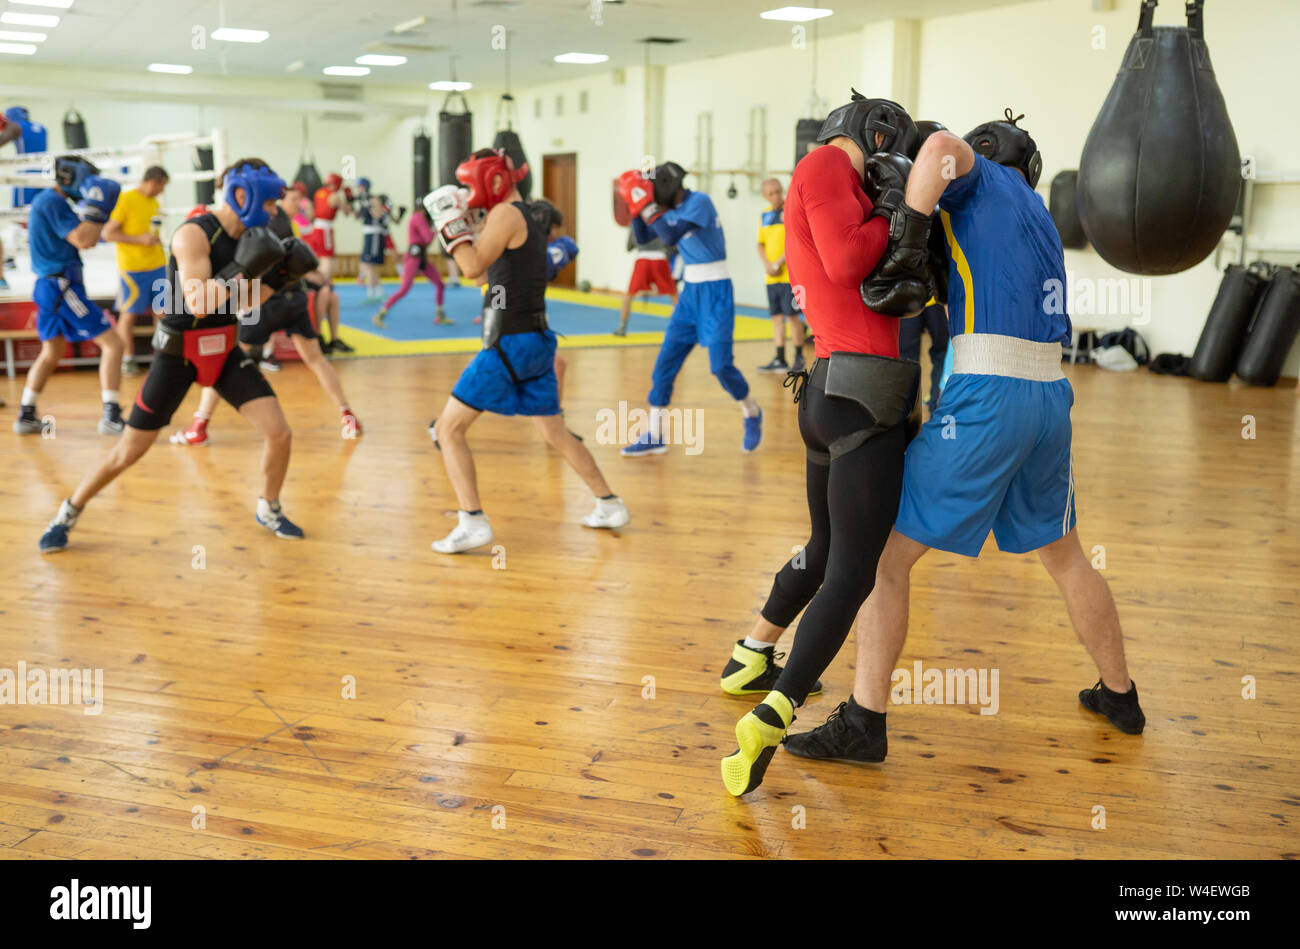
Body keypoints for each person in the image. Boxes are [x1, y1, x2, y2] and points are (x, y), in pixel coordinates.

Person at [783, 113, 1145, 771]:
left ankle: (864, 722)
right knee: (1065, 556)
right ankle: (1120, 694)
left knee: (882, 560)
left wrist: (907, 234)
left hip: (989, 393)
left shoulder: (976, 178)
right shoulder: (1037, 216)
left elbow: (943, 147)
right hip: (1049, 395)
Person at [717, 92, 926, 796]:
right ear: (873, 135)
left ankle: (752, 653)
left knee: (828, 547)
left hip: (830, 388)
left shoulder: (829, 183)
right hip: (863, 391)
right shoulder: (826, 165)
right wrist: (900, 214)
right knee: (853, 574)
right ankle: (776, 713)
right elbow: (844, 262)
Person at [37, 159, 305, 552]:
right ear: (244, 194)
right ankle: (68, 512)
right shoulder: (194, 235)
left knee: (279, 433)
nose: (273, 212)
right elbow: (196, 302)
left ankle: (269, 507)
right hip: (178, 356)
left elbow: (246, 304)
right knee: (128, 452)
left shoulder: (253, 236)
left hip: (224, 349)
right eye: (268, 204)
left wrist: (280, 280)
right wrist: (243, 268)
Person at [423, 148, 628, 553]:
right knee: (554, 430)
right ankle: (609, 504)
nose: (466, 191)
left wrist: (448, 222)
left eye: (468, 183)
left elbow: (467, 268)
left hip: (509, 344)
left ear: (493, 180)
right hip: (535, 341)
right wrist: (463, 227)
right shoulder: (522, 218)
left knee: (447, 429)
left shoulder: (506, 214)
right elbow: (481, 271)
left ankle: (472, 521)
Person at [169, 182, 363, 446]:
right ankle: (348, 414)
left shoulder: (255, 222)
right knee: (316, 359)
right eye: (290, 199)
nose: (293, 204)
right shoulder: (278, 219)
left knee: (224, 362)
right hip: (294, 297)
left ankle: (198, 426)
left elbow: (253, 265)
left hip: (266, 300)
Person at [615, 162, 762, 455]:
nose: (652, 198)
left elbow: (670, 236)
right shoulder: (667, 209)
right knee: (663, 367)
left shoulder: (699, 202)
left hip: (716, 292)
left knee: (720, 366)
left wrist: (645, 205)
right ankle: (655, 433)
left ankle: (751, 411)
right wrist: (635, 207)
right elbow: (644, 238)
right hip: (689, 295)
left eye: (653, 192)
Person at [13, 156, 127, 436]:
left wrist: (98, 215)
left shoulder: (50, 202)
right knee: (114, 344)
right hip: (62, 286)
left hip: (50, 286)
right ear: (70, 177)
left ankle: (26, 413)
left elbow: (88, 236)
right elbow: (84, 239)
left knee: (52, 352)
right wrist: (98, 210)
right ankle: (111, 414)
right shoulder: (53, 203)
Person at [104, 165, 170, 376]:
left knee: (162, 313)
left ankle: (163, 356)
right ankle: (128, 359)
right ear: (154, 181)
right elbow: (108, 233)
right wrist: (139, 240)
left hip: (158, 264)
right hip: (132, 268)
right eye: (162, 186)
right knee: (129, 314)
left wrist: (151, 239)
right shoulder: (127, 199)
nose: (162, 191)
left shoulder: (154, 203)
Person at [755, 177, 805, 374]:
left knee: (793, 317)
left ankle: (799, 358)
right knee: (776, 318)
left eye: (778, 191)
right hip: (772, 278)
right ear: (764, 196)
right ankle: (780, 358)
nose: (776, 196)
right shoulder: (764, 215)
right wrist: (767, 265)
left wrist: (778, 263)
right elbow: (760, 244)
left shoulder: (792, 210)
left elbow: (796, 240)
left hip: (791, 277)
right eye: (771, 193)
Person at [373, 206, 450, 327]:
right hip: (413, 258)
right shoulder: (418, 218)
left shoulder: (418, 217)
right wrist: (437, 228)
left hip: (420, 257)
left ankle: (440, 315)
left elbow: (425, 239)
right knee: (404, 289)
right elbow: (428, 238)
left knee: (440, 284)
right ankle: (380, 314)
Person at [304, 173, 353, 355]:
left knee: (324, 276)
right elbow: (348, 212)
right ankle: (321, 335)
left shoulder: (318, 193)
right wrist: (348, 198)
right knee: (326, 276)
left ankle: (329, 336)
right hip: (325, 232)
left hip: (317, 230)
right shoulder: (334, 195)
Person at [613, 226, 675, 337]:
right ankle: (679, 326)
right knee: (674, 294)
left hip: (643, 259)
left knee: (629, 295)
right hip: (660, 258)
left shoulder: (636, 220)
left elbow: (629, 246)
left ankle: (622, 326)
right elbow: (671, 241)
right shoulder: (661, 216)